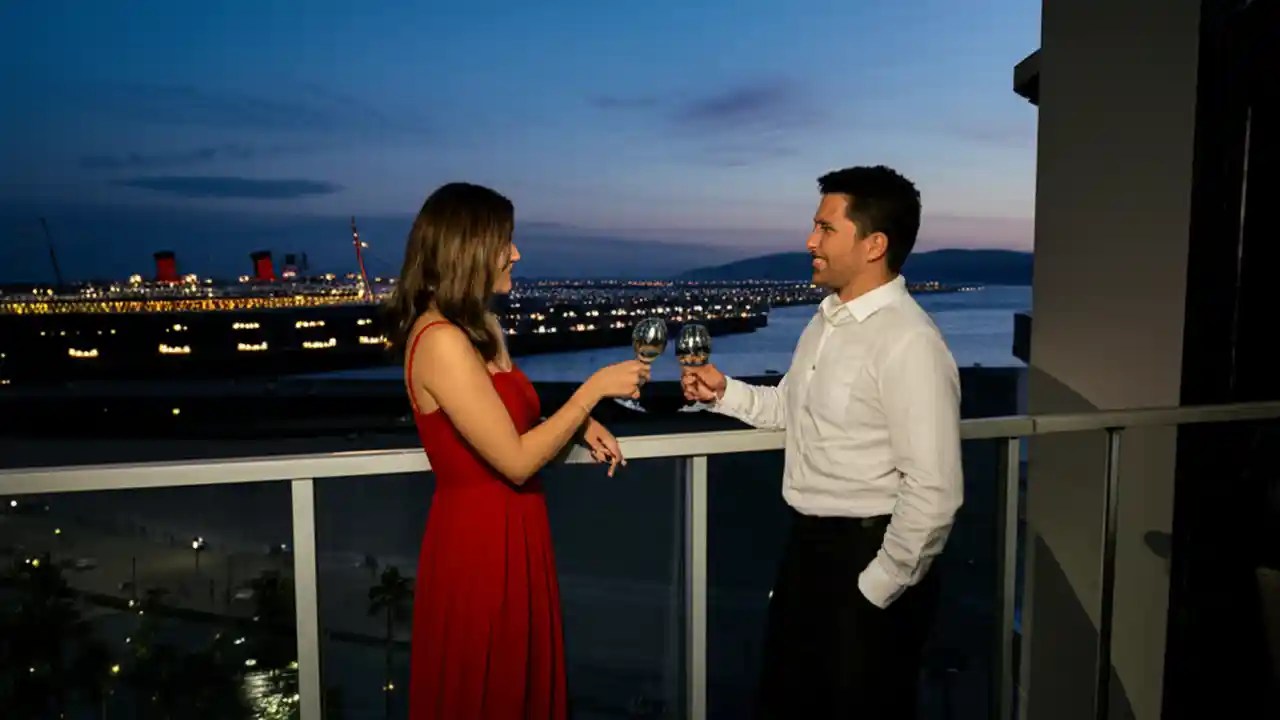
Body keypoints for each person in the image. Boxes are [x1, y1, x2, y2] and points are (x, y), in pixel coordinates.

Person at [683, 165, 963, 718]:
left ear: (874, 244)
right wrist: (722, 393)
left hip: (866, 559)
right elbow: (792, 410)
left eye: (825, 228)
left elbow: (935, 491)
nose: (810, 241)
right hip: (808, 554)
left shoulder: (909, 342)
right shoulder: (826, 321)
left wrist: (874, 591)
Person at [386, 182, 650, 720]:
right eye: (506, 240)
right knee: (487, 689)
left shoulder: (479, 327)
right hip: (478, 542)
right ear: (470, 249)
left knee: (520, 685)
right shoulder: (439, 340)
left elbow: (511, 425)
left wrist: (573, 426)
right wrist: (591, 391)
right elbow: (515, 459)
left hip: (520, 526)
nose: (516, 252)